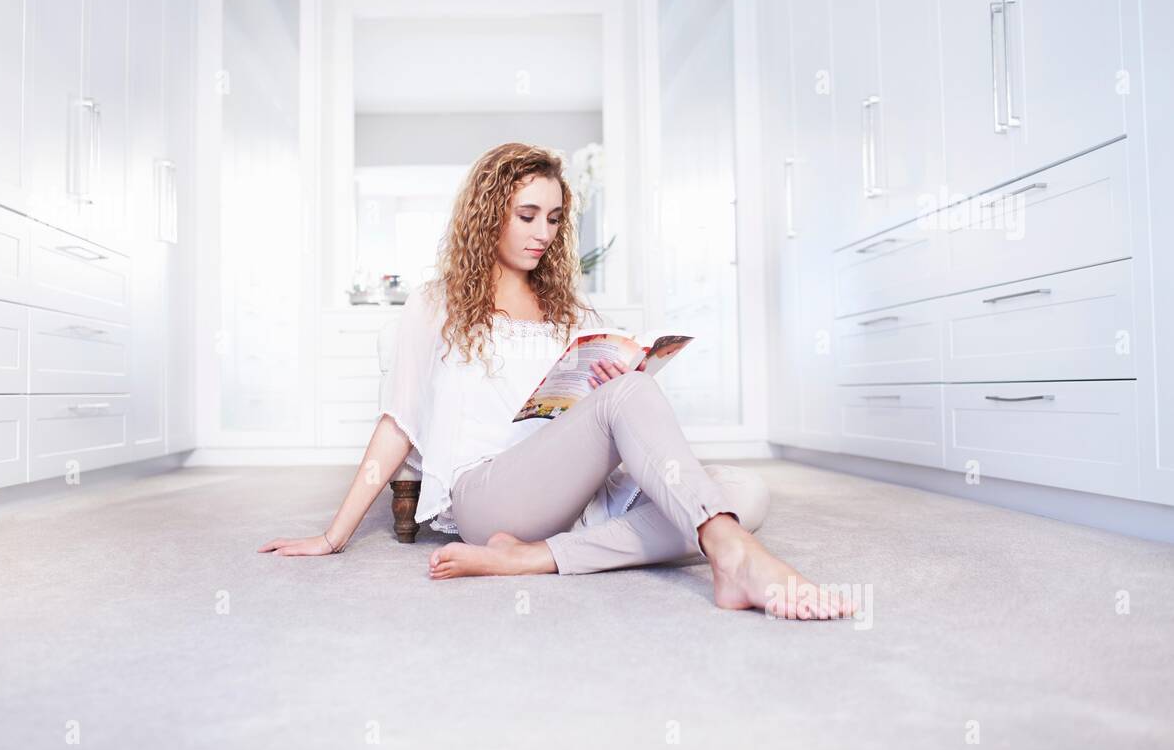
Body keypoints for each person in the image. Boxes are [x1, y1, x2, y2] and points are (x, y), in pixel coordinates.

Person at [258, 142, 854, 619]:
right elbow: (398, 422)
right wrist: (334, 536)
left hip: (572, 496)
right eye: (526, 215)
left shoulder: (570, 308)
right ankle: (735, 558)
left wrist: (615, 379)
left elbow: (631, 420)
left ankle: (533, 559)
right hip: (487, 493)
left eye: (553, 218)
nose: (543, 232)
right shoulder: (436, 303)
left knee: (747, 493)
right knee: (688, 476)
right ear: (487, 213)